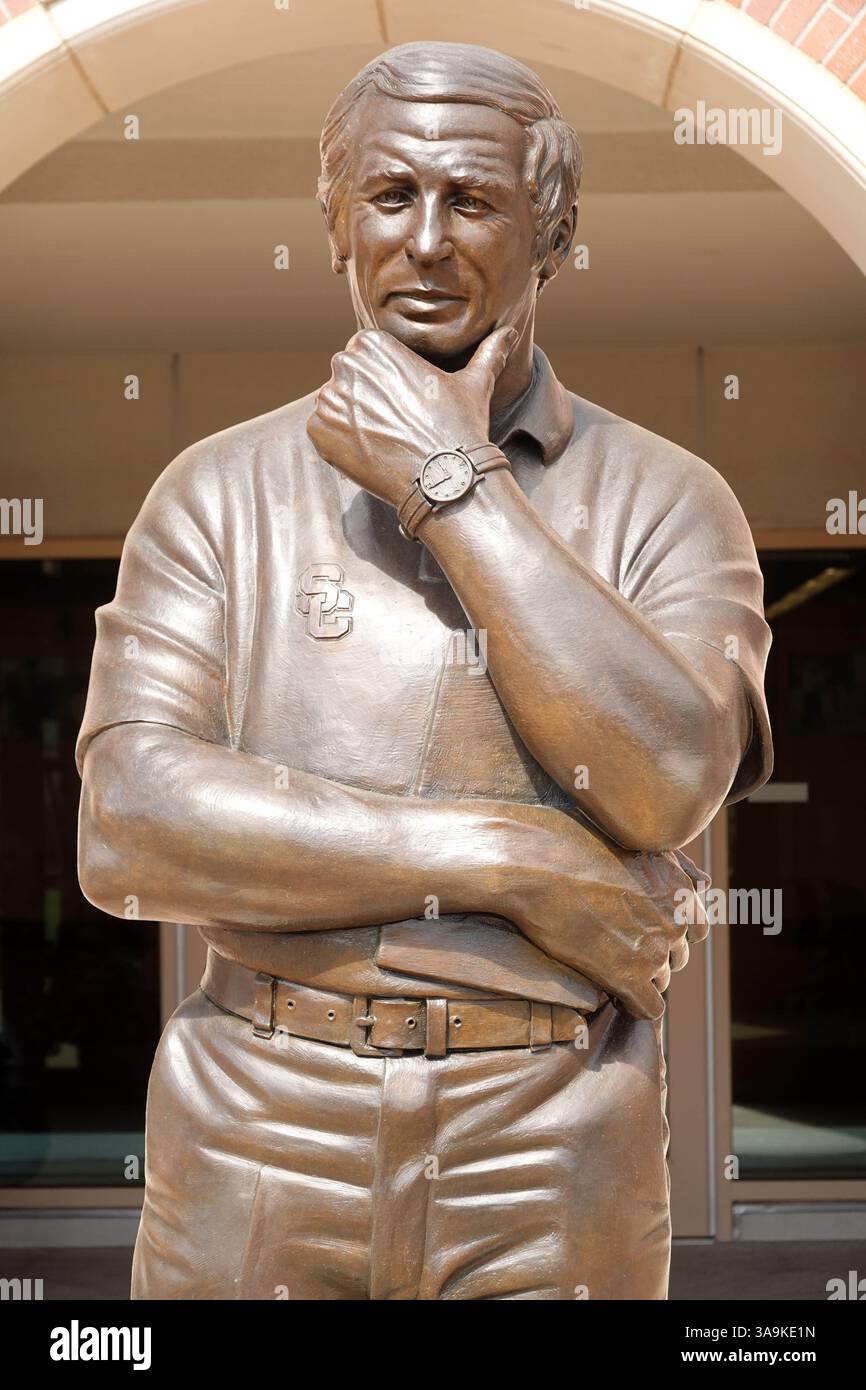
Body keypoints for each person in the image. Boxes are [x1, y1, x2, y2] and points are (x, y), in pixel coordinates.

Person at [76, 41, 772, 1300]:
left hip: (554, 1131)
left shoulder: (668, 499)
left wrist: (444, 481)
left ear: (548, 231)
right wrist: (505, 861)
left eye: (475, 200)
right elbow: (129, 825)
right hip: (258, 1120)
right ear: (336, 223)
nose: (428, 241)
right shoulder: (216, 493)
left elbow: (664, 780)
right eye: (391, 197)